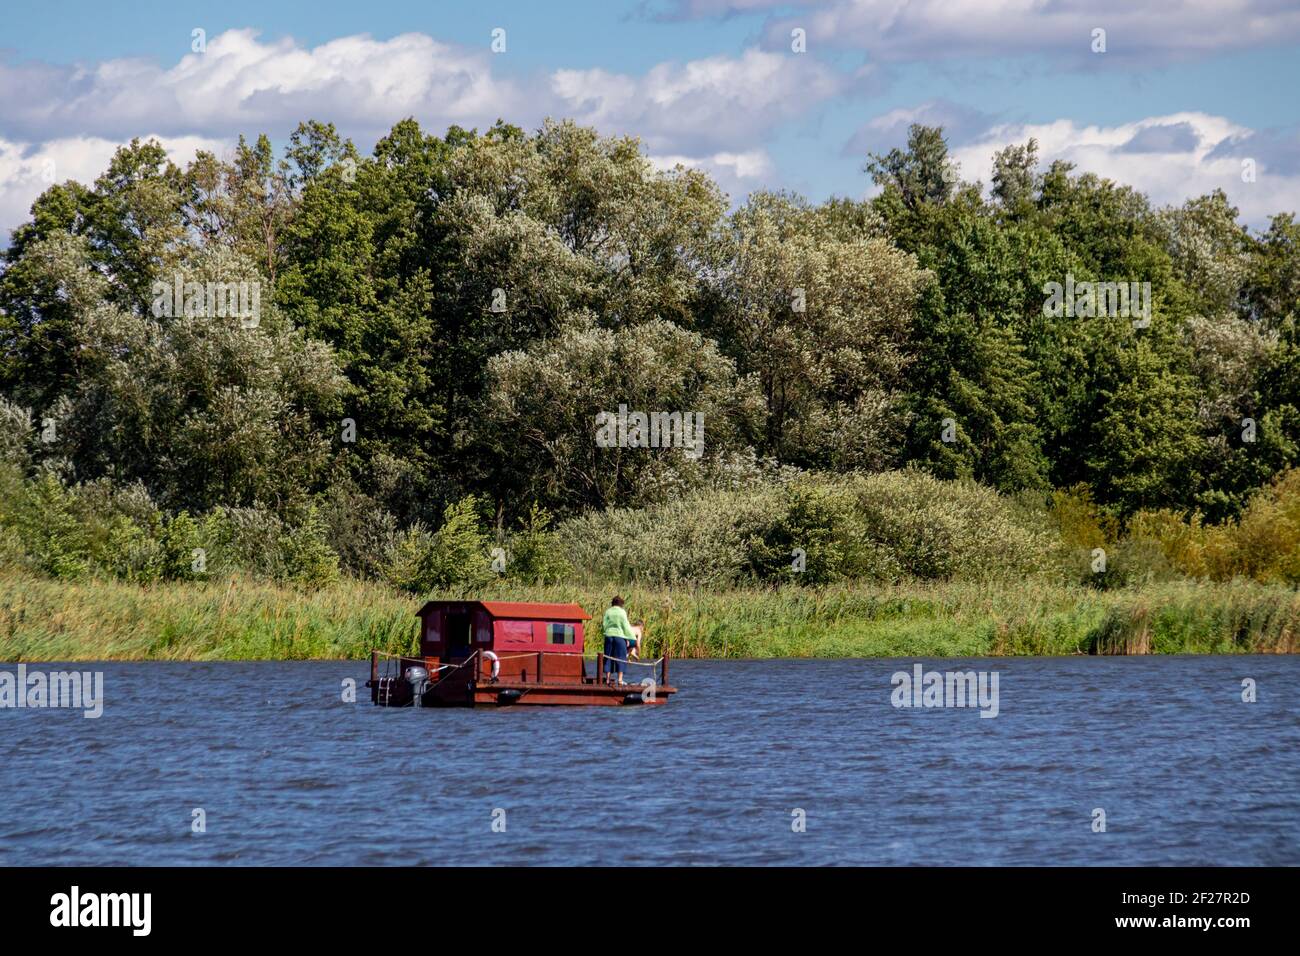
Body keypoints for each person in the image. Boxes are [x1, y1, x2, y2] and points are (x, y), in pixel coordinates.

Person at [601, 596, 636, 686]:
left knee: (608, 657)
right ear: (621, 604)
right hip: (619, 637)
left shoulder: (608, 611)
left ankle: (608, 679)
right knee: (621, 657)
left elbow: (604, 624)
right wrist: (631, 638)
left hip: (609, 636)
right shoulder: (622, 612)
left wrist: (606, 632)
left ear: (612, 603)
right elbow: (625, 625)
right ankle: (620, 680)